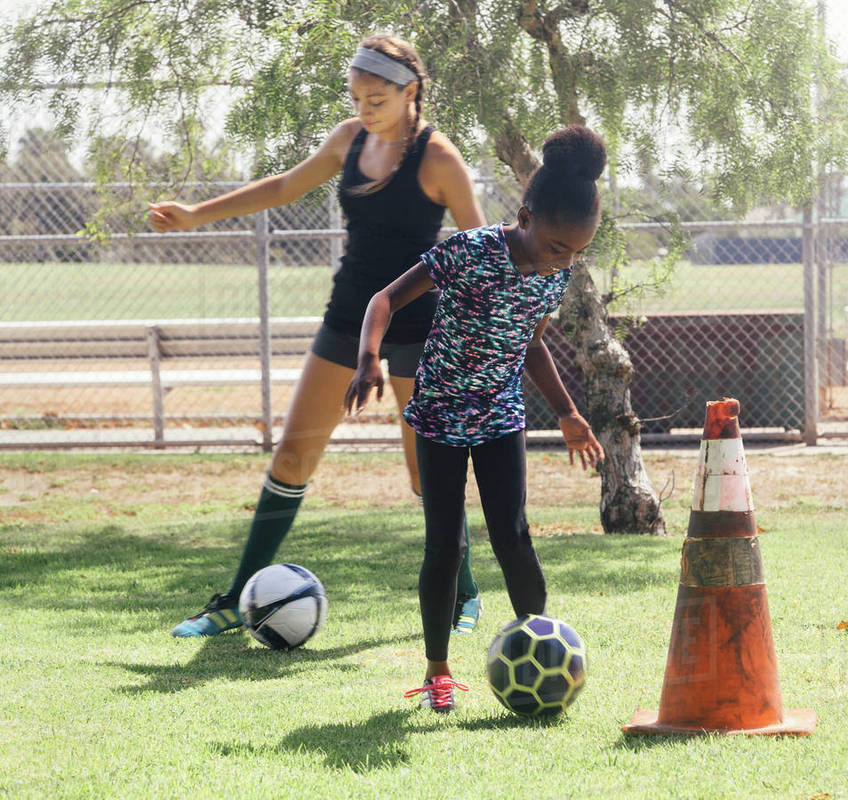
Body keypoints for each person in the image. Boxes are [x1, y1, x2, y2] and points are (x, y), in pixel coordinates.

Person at [150, 35, 486, 638]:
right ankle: (235, 601)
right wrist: (198, 214)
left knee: (424, 474)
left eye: (377, 97)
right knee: (292, 457)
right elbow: (282, 187)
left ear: (411, 92)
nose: (364, 108)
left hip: (418, 327)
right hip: (348, 317)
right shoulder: (348, 139)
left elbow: (480, 248)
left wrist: (478, 334)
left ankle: (464, 596)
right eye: (356, 97)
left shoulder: (439, 159)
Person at [344, 125, 607, 713]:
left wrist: (567, 412)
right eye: (556, 246)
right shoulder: (472, 250)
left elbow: (532, 344)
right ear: (526, 214)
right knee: (445, 547)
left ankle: (539, 651)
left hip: (499, 418)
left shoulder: (554, 276)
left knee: (513, 536)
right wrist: (368, 360)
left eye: (574, 253)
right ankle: (438, 671)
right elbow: (382, 300)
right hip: (438, 415)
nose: (560, 260)